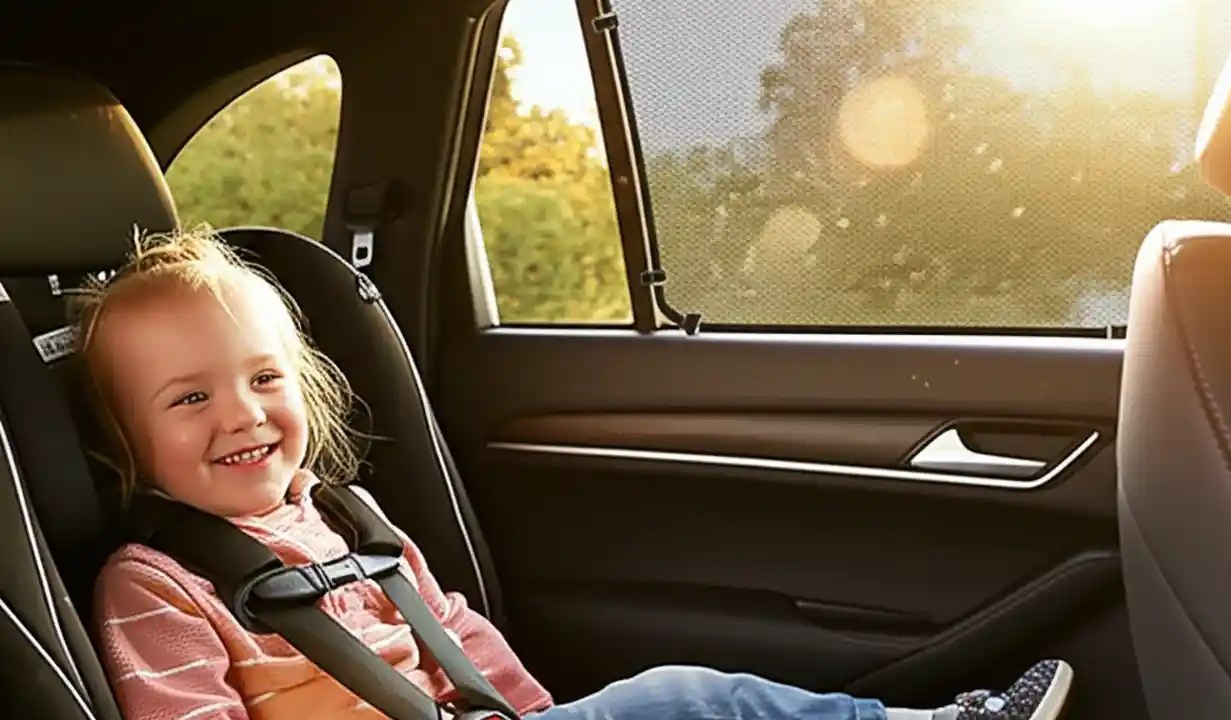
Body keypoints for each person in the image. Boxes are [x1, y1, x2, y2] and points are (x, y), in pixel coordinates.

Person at [74, 227, 1073, 720]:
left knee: (687, 695)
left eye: (263, 379)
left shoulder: (349, 522)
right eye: (189, 398)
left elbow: (451, 630)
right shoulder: (156, 582)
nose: (243, 414)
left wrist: (533, 714)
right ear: (124, 439)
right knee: (688, 699)